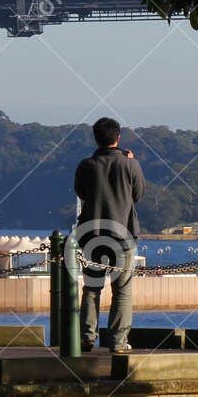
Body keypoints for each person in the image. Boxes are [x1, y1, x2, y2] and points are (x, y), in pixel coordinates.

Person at [73, 117, 146, 353]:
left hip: (91, 234)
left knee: (92, 288)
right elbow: (138, 194)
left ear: (96, 138)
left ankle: (86, 337)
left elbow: (81, 193)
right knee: (122, 290)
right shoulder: (131, 165)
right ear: (118, 138)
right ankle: (118, 342)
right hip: (122, 234)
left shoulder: (86, 165)